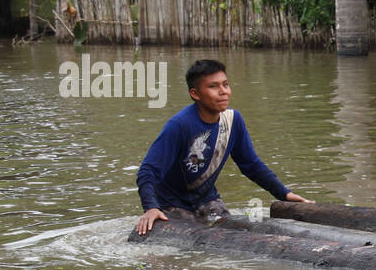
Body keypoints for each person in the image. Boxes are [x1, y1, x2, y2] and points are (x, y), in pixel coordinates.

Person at [134, 58, 312, 235]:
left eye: (225, 85)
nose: (223, 92)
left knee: (235, 233)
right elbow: (148, 171)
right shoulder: (180, 125)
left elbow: (251, 165)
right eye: (213, 87)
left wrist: (284, 194)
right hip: (171, 203)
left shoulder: (233, 121)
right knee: (193, 242)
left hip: (207, 200)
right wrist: (151, 208)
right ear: (195, 94)